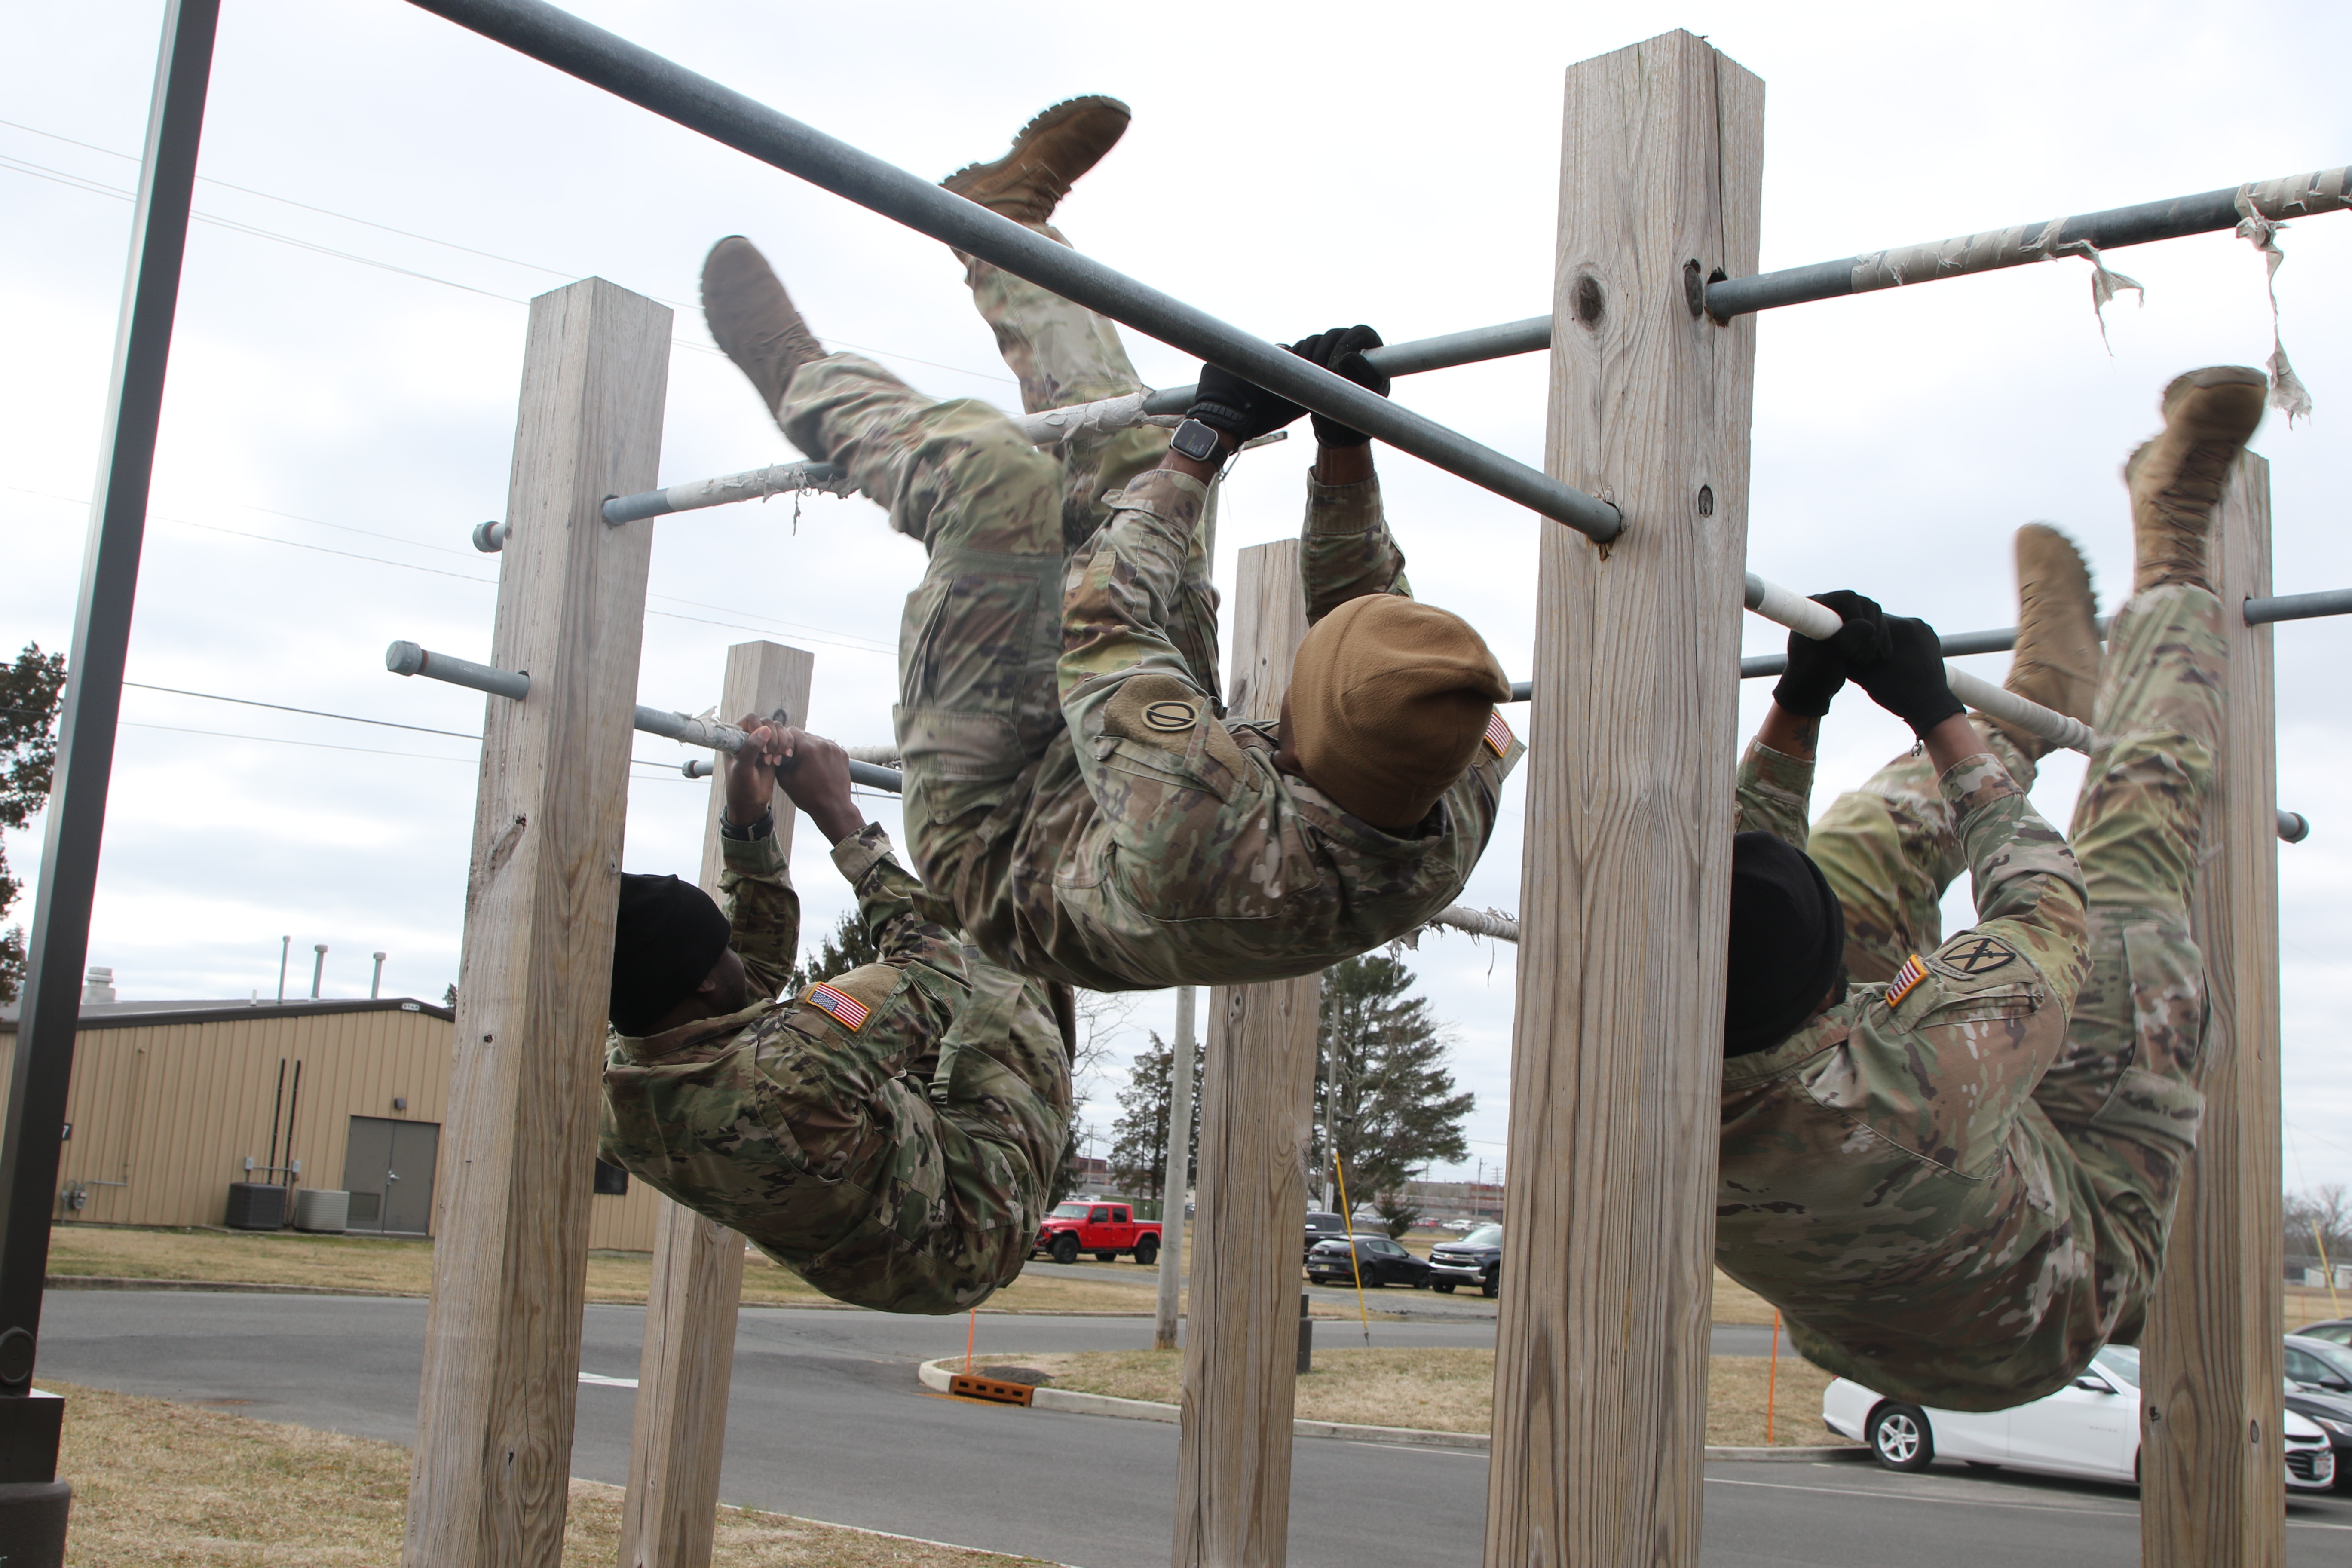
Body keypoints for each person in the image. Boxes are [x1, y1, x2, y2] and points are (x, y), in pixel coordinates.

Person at [695, 96, 1522, 993]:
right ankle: (1003, 222)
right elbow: (1374, 618)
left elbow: (1096, 615)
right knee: (1136, 458)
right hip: (1137, 767)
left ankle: (810, 385)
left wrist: (1209, 441)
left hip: (1000, 829)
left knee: (998, 490)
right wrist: (1344, 440)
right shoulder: (1448, 755)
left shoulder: (1210, 841)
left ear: (1297, 757)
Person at [1714, 366, 2261, 1409]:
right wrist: (1934, 716)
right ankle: (2175, 539)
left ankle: (2036, 698)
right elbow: (2046, 903)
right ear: (1840, 1002)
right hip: (2058, 1281)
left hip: (1906, 1229)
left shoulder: (1647, 1050)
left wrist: (1801, 701)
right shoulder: (1924, 1067)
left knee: (1845, 865)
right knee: (2130, 884)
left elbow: (1734, 881)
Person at [598, 720, 1072, 1315]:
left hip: (882, 1230)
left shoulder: (630, 1082)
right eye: (721, 949)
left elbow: (752, 967)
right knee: (998, 942)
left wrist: (748, 824)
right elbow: (936, 966)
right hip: (979, 1217)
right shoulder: (790, 1070)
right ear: (705, 981)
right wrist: (841, 817)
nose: (735, 955)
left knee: (923, 997)